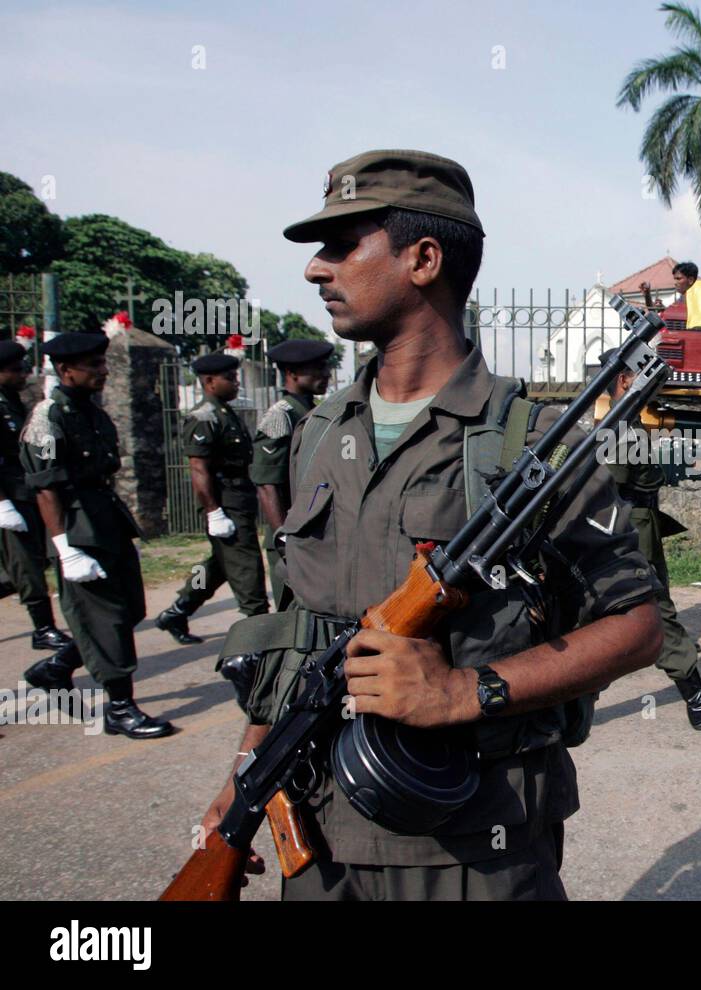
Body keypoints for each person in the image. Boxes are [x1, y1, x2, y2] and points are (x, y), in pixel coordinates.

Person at [198, 149, 662, 901]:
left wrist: (465, 692)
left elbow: (637, 627)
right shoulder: (317, 433)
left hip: (474, 849)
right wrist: (248, 773)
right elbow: (302, 637)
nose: (318, 269)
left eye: (344, 245)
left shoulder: (528, 444)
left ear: (423, 259)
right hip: (317, 843)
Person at [19, 332, 174, 739]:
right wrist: (65, 549)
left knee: (129, 611)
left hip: (107, 522)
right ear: (66, 370)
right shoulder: (48, 417)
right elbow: (46, 488)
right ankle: (120, 708)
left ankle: (56, 666)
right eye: (94, 365)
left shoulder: (91, 412)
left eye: (103, 363)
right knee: (106, 620)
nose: (103, 371)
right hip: (76, 530)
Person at [599, 348, 701, 729]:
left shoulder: (626, 422)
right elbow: (612, 492)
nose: (651, 387)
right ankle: (698, 700)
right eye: (643, 377)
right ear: (623, 380)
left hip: (640, 527)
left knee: (631, 615)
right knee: (654, 610)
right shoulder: (619, 427)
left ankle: (565, 699)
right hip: (632, 532)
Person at [155, 353, 269, 651]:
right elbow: (198, 468)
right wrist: (214, 512)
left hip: (237, 499)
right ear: (209, 382)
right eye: (230, 378)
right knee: (248, 570)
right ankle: (255, 641)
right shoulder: (203, 416)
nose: (236, 383)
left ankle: (178, 611)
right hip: (225, 504)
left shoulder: (223, 412)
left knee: (220, 565)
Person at [249, 338, 334, 611]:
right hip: (291, 534)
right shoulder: (280, 417)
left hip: (315, 531)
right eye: (316, 369)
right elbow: (266, 484)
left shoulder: (316, 410)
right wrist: (284, 536)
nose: (326, 374)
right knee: (294, 616)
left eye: (326, 367)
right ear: (292, 374)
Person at [0, 339, 74, 653]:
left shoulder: (13, 401)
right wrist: (2, 503)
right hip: (8, 498)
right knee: (25, 564)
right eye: (16, 370)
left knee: (24, 566)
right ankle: (43, 628)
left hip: (25, 493)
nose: (24, 374)